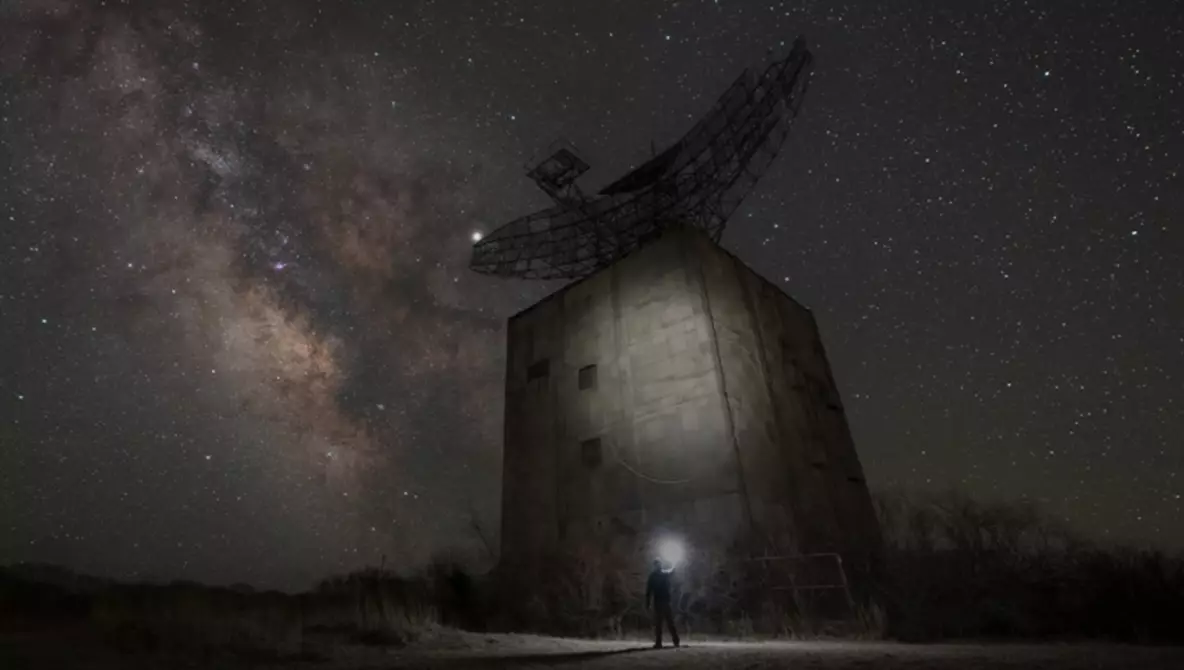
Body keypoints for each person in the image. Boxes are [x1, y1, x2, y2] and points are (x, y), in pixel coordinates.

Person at [645, 559, 680, 648]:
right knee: (662, 623)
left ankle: (666, 642)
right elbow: (649, 591)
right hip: (661, 601)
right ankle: (668, 641)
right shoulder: (659, 575)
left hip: (662, 601)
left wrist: (647, 603)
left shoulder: (656, 576)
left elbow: (649, 591)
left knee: (664, 623)